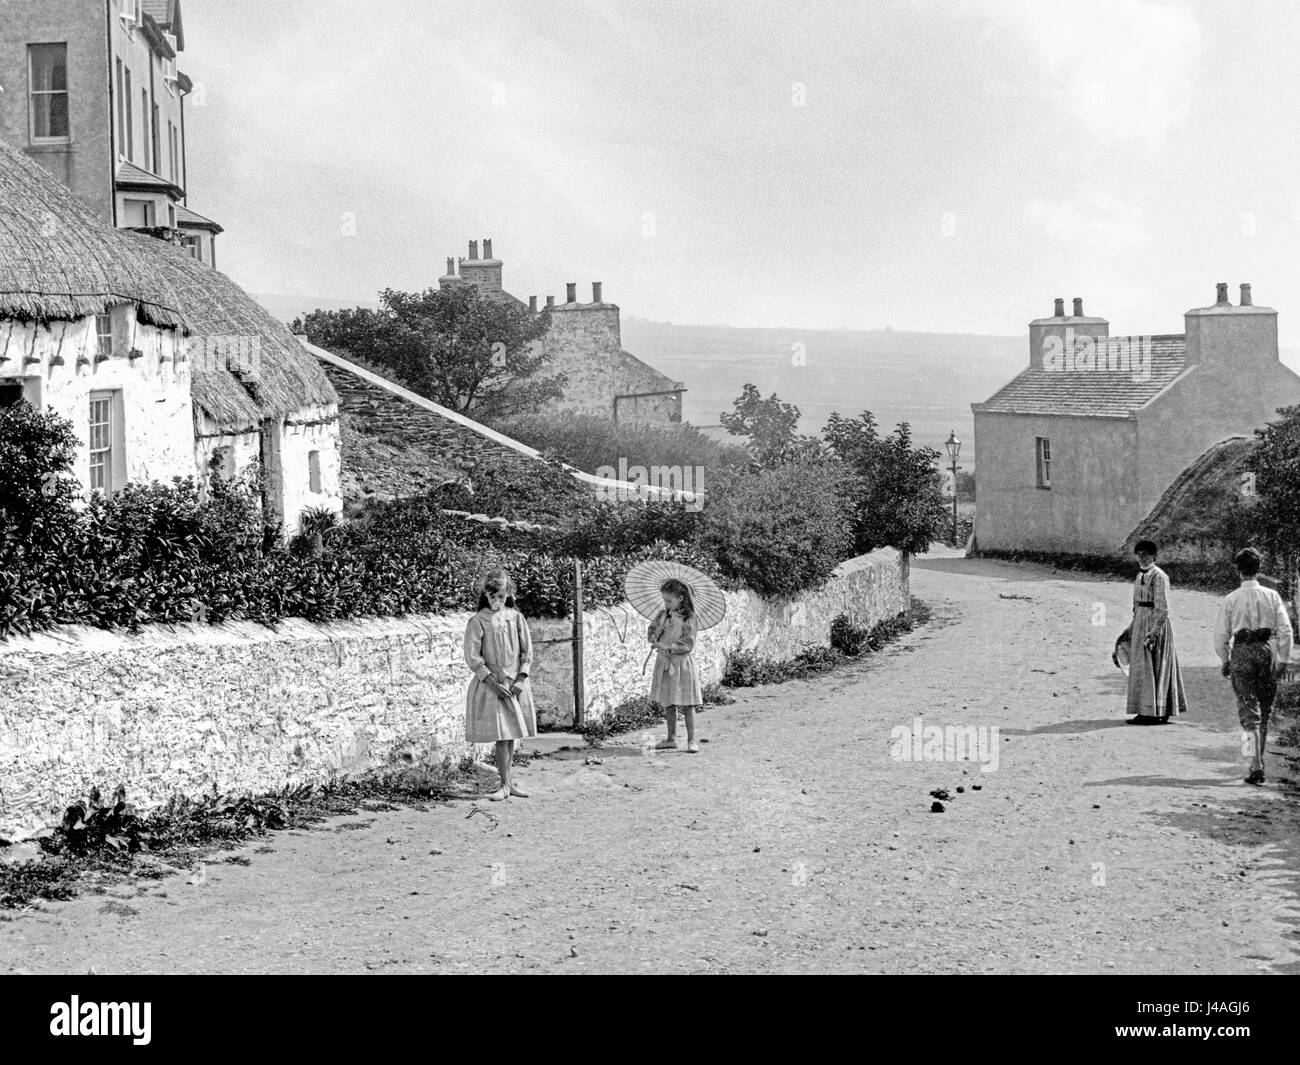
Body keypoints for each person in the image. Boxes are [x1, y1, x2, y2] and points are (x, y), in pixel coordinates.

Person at [1214, 547, 1293, 785]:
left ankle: (1254, 764)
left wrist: (1225, 660)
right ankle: (1258, 762)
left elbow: (1220, 635)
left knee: (1248, 711)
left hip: (1242, 653)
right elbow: (1286, 630)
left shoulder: (1231, 598)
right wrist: (1283, 659)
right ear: (1259, 569)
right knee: (1265, 710)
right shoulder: (1271, 596)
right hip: (1266, 651)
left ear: (1238, 571)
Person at [463, 569, 536, 800]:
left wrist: (522, 678)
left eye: (501, 597)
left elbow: (527, 651)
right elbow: (473, 657)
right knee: (501, 735)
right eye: (492, 596)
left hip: (514, 685)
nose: (496, 601)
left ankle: (509, 783)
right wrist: (492, 683)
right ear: (485, 595)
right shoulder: (477, 621)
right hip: (492, 686)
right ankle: (503, 784)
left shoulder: (516, 618)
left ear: (508, 595)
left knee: (510, 735)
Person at [1125, 539, 1188, 724]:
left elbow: (1163, 607)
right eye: (1139, 554)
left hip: (1154, 623)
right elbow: (1136, 605)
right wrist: (1132, 627)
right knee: (1142, 666)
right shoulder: (1139, 576)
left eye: (1145, 554)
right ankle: (1146, 710)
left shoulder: (1159, 576)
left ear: (1153, 556)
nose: (1142, 558)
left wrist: (1154, 632)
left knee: (1157, 665)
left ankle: (1159, 711)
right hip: (1140, 621)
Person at [648, 578, 703, 753]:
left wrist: (668, 646)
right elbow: (652, 631)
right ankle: (671, 738)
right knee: (668, 702)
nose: (666, 603)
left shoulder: (689, 618)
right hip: (665, 662)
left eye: (669, 600)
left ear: (681, 597)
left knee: (687, 703)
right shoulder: (663, 615)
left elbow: (688, 644)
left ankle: (692, 740)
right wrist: (655, 635)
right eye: (664, 600)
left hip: (681, 664)